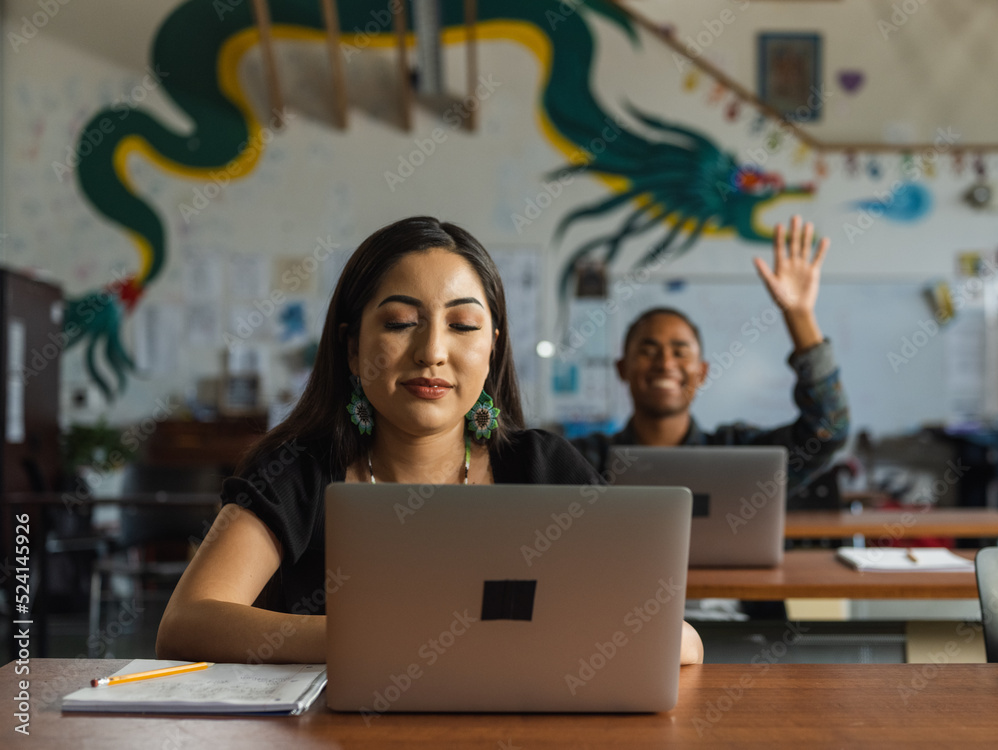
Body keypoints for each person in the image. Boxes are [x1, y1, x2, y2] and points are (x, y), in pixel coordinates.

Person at [157, 216, 704, 666]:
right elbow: (187, 623)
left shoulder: (544, 468)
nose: (432, 351)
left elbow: (678, 641)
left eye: (463, 326)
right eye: (400, 322)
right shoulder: (297, 469)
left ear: (492, 346)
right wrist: (394, 642)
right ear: (352, 348)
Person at [572, 215, 850, 490]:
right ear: (622, 369)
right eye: (648, 350)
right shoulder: (585, 461)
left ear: (702, 372)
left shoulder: (736, 457)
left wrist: (799, 316)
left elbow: (827, 432)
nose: (665, 363)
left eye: (680, 352)